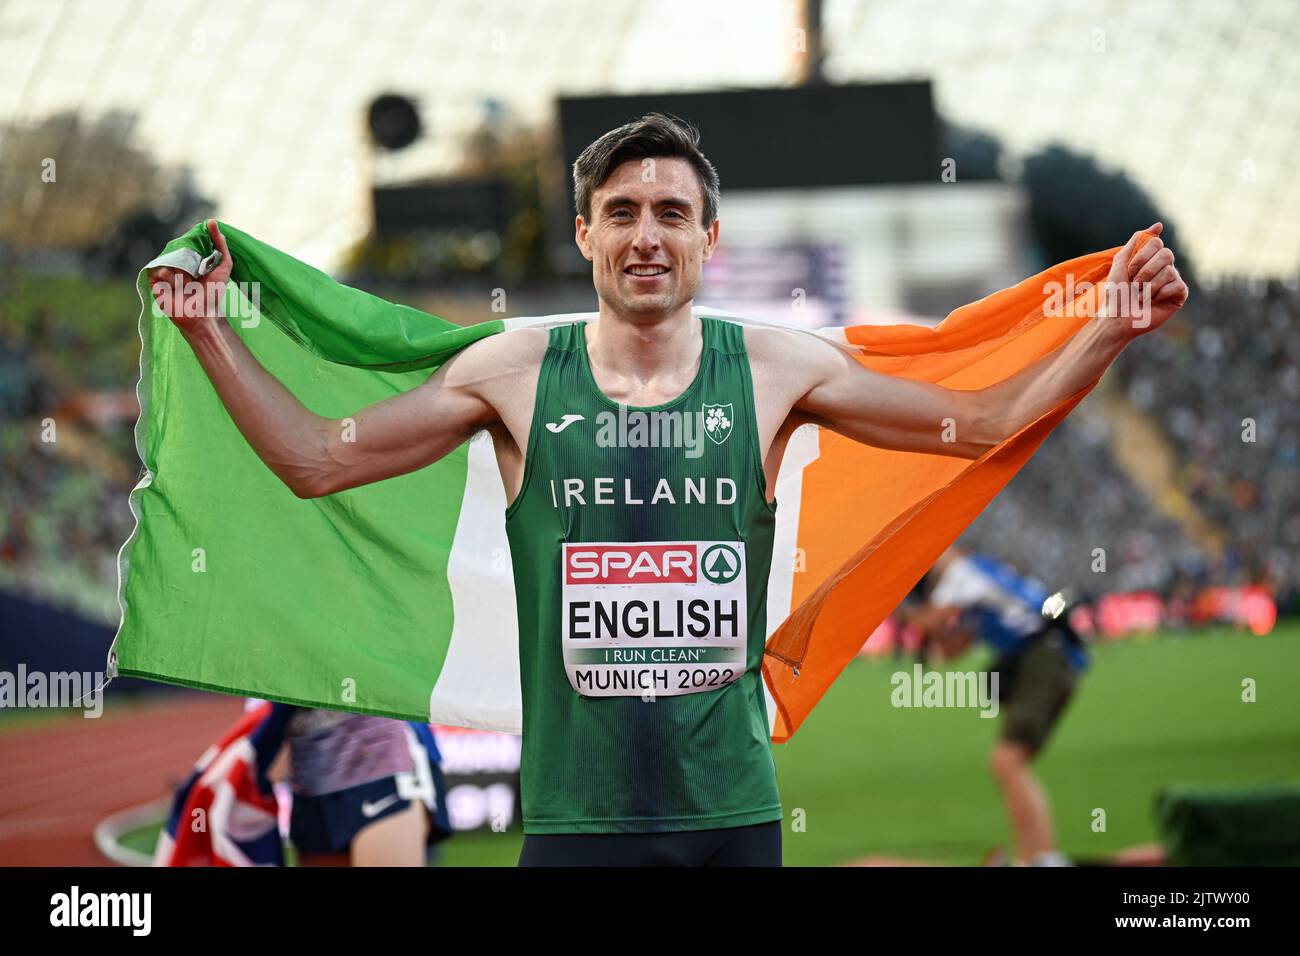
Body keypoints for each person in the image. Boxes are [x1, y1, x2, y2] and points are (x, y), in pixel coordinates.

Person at [146, 113, 1188, 866]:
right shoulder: (510, 373)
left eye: (672, 212)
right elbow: (318, 457)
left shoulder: (779, 369)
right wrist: (204, 326)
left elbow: (991, 422)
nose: (648, 232)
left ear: (706, 240)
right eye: (623, 211)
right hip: (573, 828)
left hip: (730, 820)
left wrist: (1107, 324)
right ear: (588, 235)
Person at [899, 546, 1086, 866]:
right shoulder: (978, 576)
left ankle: (1046, 859)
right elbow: (953, 648)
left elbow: (933, 620)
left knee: (1007, 761)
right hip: (1046, 654)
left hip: (1043, 656)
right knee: (1009, 763)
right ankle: (1032, 857)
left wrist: (891, 606)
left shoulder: (961, 573)